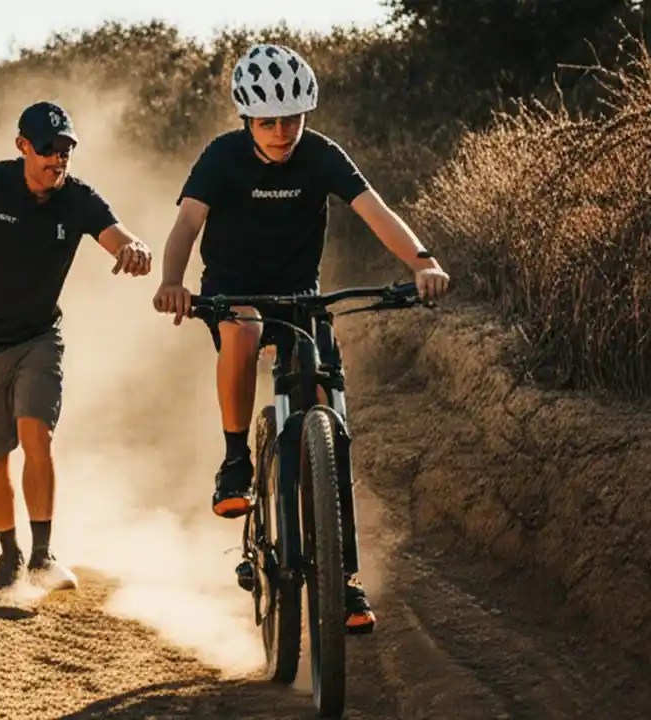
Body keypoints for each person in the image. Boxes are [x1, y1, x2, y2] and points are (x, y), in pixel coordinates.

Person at [151, 44, 450, 633]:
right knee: (247, 327)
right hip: (232, 290)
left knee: (330, 426)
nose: (283, 132)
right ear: (246, 120)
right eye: (268, 121)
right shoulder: (221, 157)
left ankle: (345, 583)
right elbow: (187, 223)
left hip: (301, 294)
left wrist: (424, 263)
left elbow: (376, 211)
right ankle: (236, 461)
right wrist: (171, 282)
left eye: (292, 118)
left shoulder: (320, 155)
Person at [0, 101, 153, 592]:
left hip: (39, 337)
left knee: (36, 432)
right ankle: (10, 554)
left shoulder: (79, 199)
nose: (57, 159)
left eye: (65, 150)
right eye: (47, 149)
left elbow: (121, 237)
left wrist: (135, 250)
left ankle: (43, 556)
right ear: (22, 146)